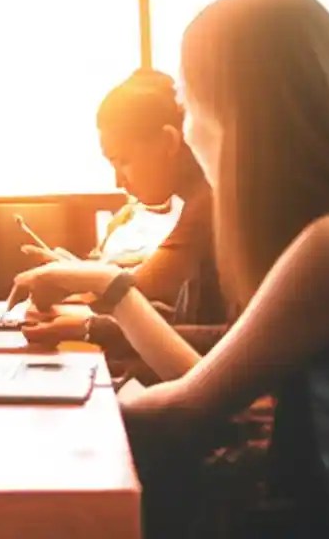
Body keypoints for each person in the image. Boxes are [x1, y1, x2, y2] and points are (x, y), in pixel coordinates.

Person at [11, 0, 329, 535]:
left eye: (188, 106)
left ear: (242, 115)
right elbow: (220, 377)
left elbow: (184, 412)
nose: (187, 134)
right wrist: (111, 302)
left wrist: (26, 416)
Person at [12, 69, 226, 357]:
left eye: (122, 160)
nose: (118, 181)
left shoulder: (210, 201)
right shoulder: (202, 199)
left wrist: (77, 283)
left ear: (169, 141)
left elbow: (137, 289)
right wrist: (79, 275)